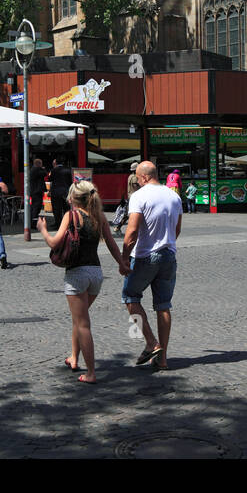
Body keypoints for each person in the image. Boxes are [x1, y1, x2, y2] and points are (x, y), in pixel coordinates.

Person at [37, 178, 129, 384]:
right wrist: (122, 264)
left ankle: (91, 373)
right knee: (78, 319)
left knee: (83, 324)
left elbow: (54, 243)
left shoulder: (71, 216)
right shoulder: (99, 216)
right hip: (96, 274)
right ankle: (74, 357)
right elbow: (112, 244)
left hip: (77, 274)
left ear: (73, 198)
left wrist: (42, 229)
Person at [121, 160, 183, 370]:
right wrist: (168, 245)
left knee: (130, 297)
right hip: (169, 255)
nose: (137, 182)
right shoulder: (174, 196)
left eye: (138, 179)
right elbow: (177, 229)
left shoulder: (139, 196)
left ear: (144, 177)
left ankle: (150, 342)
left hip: (145, 256)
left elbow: (131, 232)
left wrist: (124, 258)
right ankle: (162, 359)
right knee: (163, 305)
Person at [49, 157, 73, 229]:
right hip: (65, 192)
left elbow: (50, 179)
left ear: (55, 163)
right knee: (66, 209)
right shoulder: (68, 170)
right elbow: (70, 181)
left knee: (57, 209)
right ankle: (67, 224)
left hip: (56, 193)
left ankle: (58, 224)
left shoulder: (53, 170)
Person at [29, 156, 47, 225]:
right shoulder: (36, 170)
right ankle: (33, 222)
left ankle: (32, 221)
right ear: (39, 164)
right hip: (37, 191)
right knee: (36, 207)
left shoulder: (33, 169)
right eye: (41, 164)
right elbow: (45, 174)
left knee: (35, 206)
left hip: (34, 191)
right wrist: (43, 169)